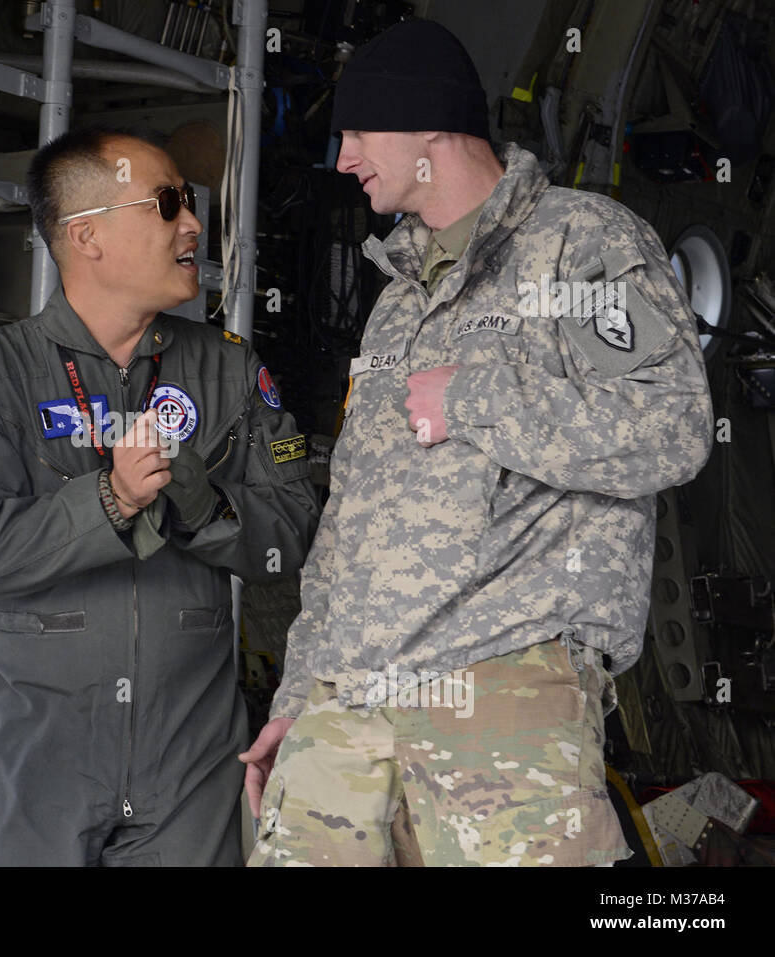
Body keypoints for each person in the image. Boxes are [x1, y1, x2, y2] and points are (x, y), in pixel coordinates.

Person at [242, 20, 713, 866]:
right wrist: (298, 693)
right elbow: (348, 515)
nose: (344, 159)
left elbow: (670, 426)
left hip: (498, 686)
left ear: (428, 126)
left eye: (358, 133)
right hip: (345, 709)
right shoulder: (398, 297)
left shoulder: (579, 245)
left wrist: (473, 399)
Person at [0, 127, 320, 865]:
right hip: (38, 759)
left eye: (190, 202)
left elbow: (293, 535)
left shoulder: (229, 370)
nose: (193, 223)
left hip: (191, 762)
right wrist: (110, 498)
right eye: (168, 203)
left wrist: (200, 502)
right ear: (87, 236)